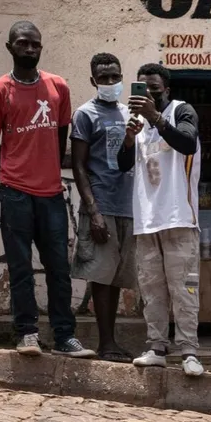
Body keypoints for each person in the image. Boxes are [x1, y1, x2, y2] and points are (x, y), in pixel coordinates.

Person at [0, 22, 89, 358]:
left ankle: (64, 335)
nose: (30, 49)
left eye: (35, 45)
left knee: (59, 266)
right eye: (23, 44)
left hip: (51, 194)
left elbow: (60, 135)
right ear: (10, 46)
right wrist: (14, 166)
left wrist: (46, 168)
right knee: (20, 267)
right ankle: (27, 332)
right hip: (15, 192)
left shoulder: (58, 86)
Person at [121, 63, 205, 376]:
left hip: (179, 217)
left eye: (154, 90)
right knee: (152, 289)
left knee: (184, 290)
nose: (149, 96)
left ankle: (189, 351)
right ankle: (156, 347)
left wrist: (155, 116)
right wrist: (129, 139)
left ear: (165, 90)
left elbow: (187, 142)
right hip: (147, 220)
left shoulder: (182, 111)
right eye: (143, 90)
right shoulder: (135, 121)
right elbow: (122, 165)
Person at [71, 53, 138, 362]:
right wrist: (93, 211)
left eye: (115, 76)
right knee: (102, 276)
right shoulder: (85, 114)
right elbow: (79, 166)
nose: (111, 82)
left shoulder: (131, 114)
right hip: (102, 205)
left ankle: (113, 342)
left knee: (120, 277)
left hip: (130, 205)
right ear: (93, 81)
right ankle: (106, 343)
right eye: (104, 78)